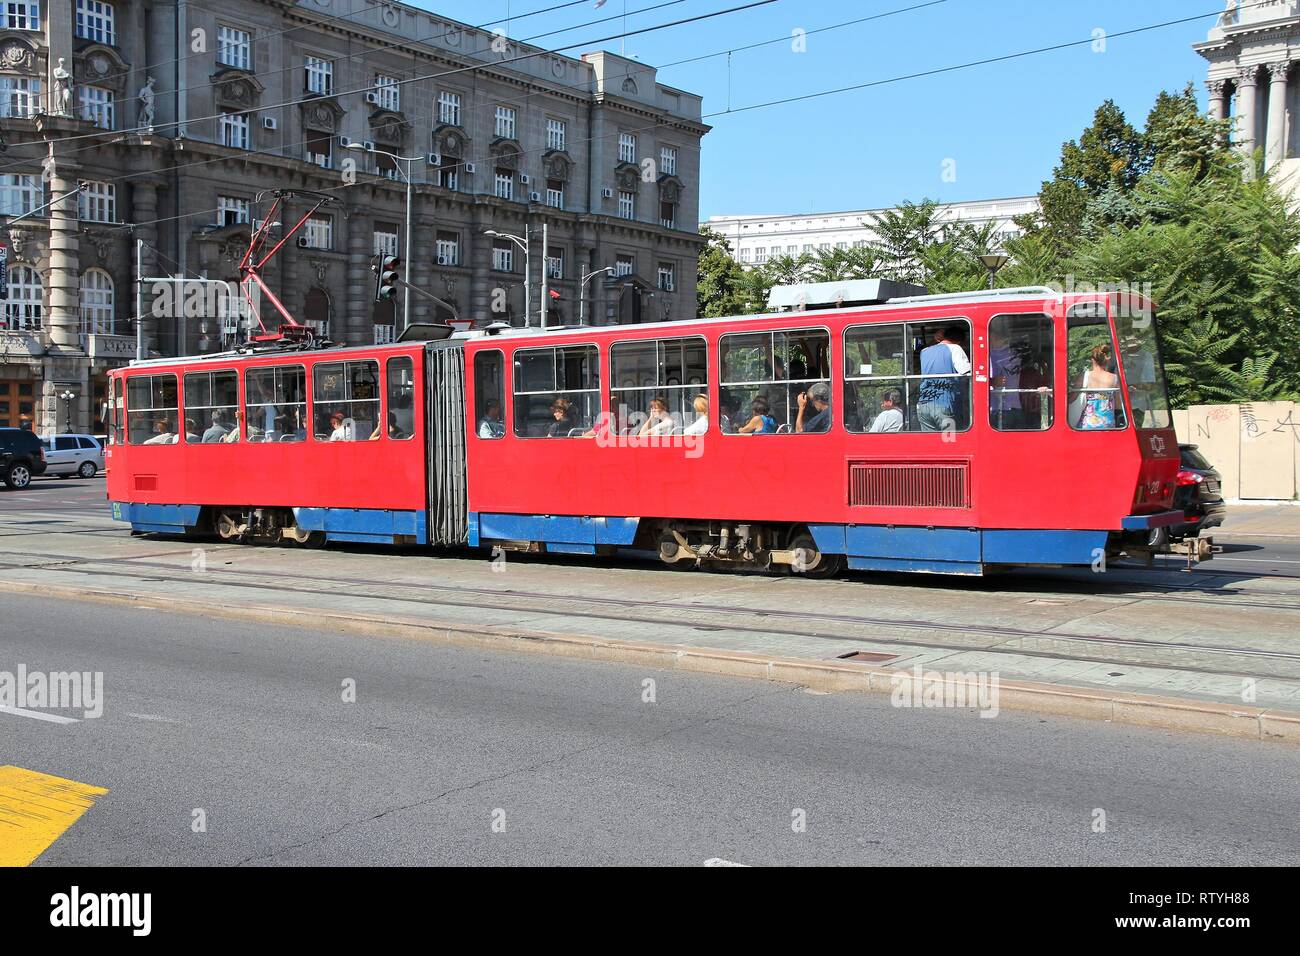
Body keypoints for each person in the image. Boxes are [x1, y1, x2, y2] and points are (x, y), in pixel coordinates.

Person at [917, 326, 971, 432]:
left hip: (923, 405)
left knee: (932, 445)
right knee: (949, 444)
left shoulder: (924, 351)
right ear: (958, 341)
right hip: (945, 404)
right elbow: (966, 371)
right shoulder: (955, 348)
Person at [988, 325, 1024, 430]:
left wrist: (991, 382)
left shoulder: (991, 354)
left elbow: (996, 381)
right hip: (1015, 404)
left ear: (993, 337)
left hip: (998, 406)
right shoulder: (1015, 354)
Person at [1079, 344, 1119, 429]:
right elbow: (1118, 404)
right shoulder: (1114, 378)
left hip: (1088, 423)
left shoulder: (1085, 376)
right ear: (1106, 360)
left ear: (1092, 360)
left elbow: (1071, 398)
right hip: (1107, 423)